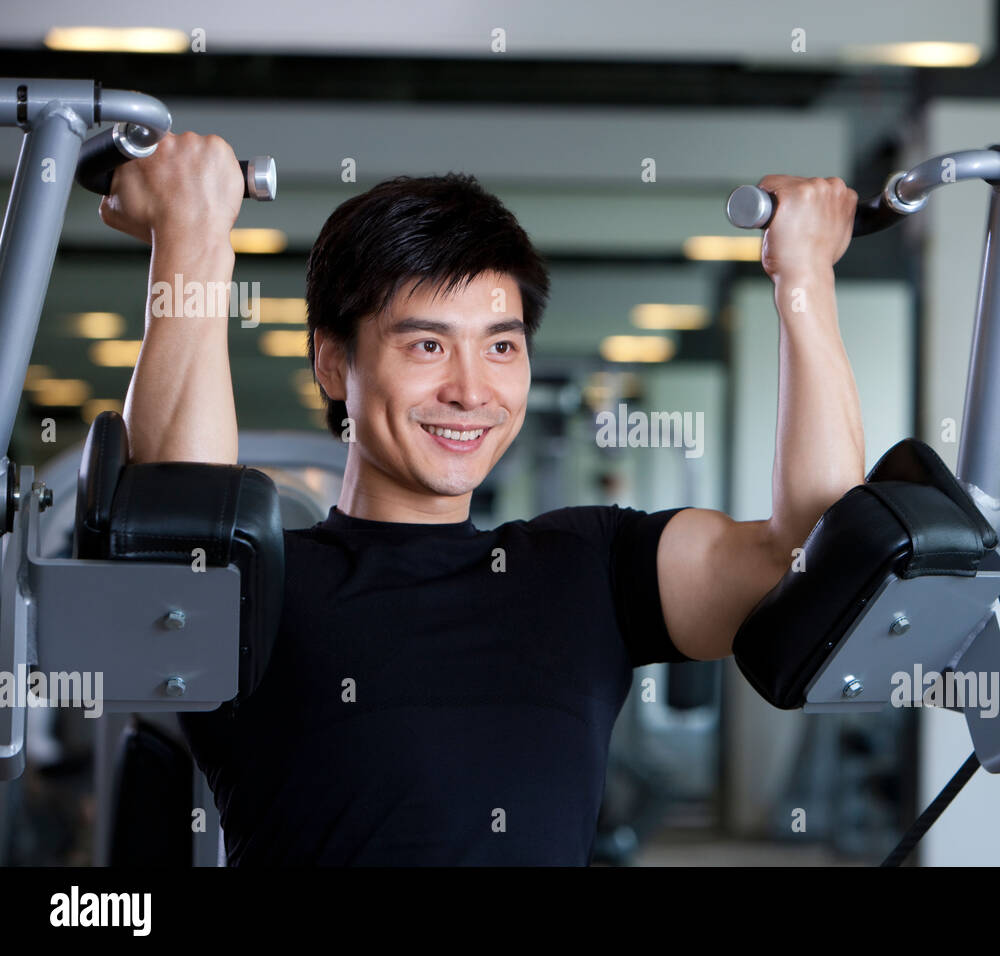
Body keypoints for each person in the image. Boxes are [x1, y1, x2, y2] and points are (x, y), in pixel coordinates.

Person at [98, 131, 866, 865]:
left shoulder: (588, 569)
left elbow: (809, 552)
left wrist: (805, 280)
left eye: (501, 346)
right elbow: (179, 520)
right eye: (427, 345)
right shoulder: (262, 588)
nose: (471, 391)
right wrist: (191, 240)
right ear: (333, 364)